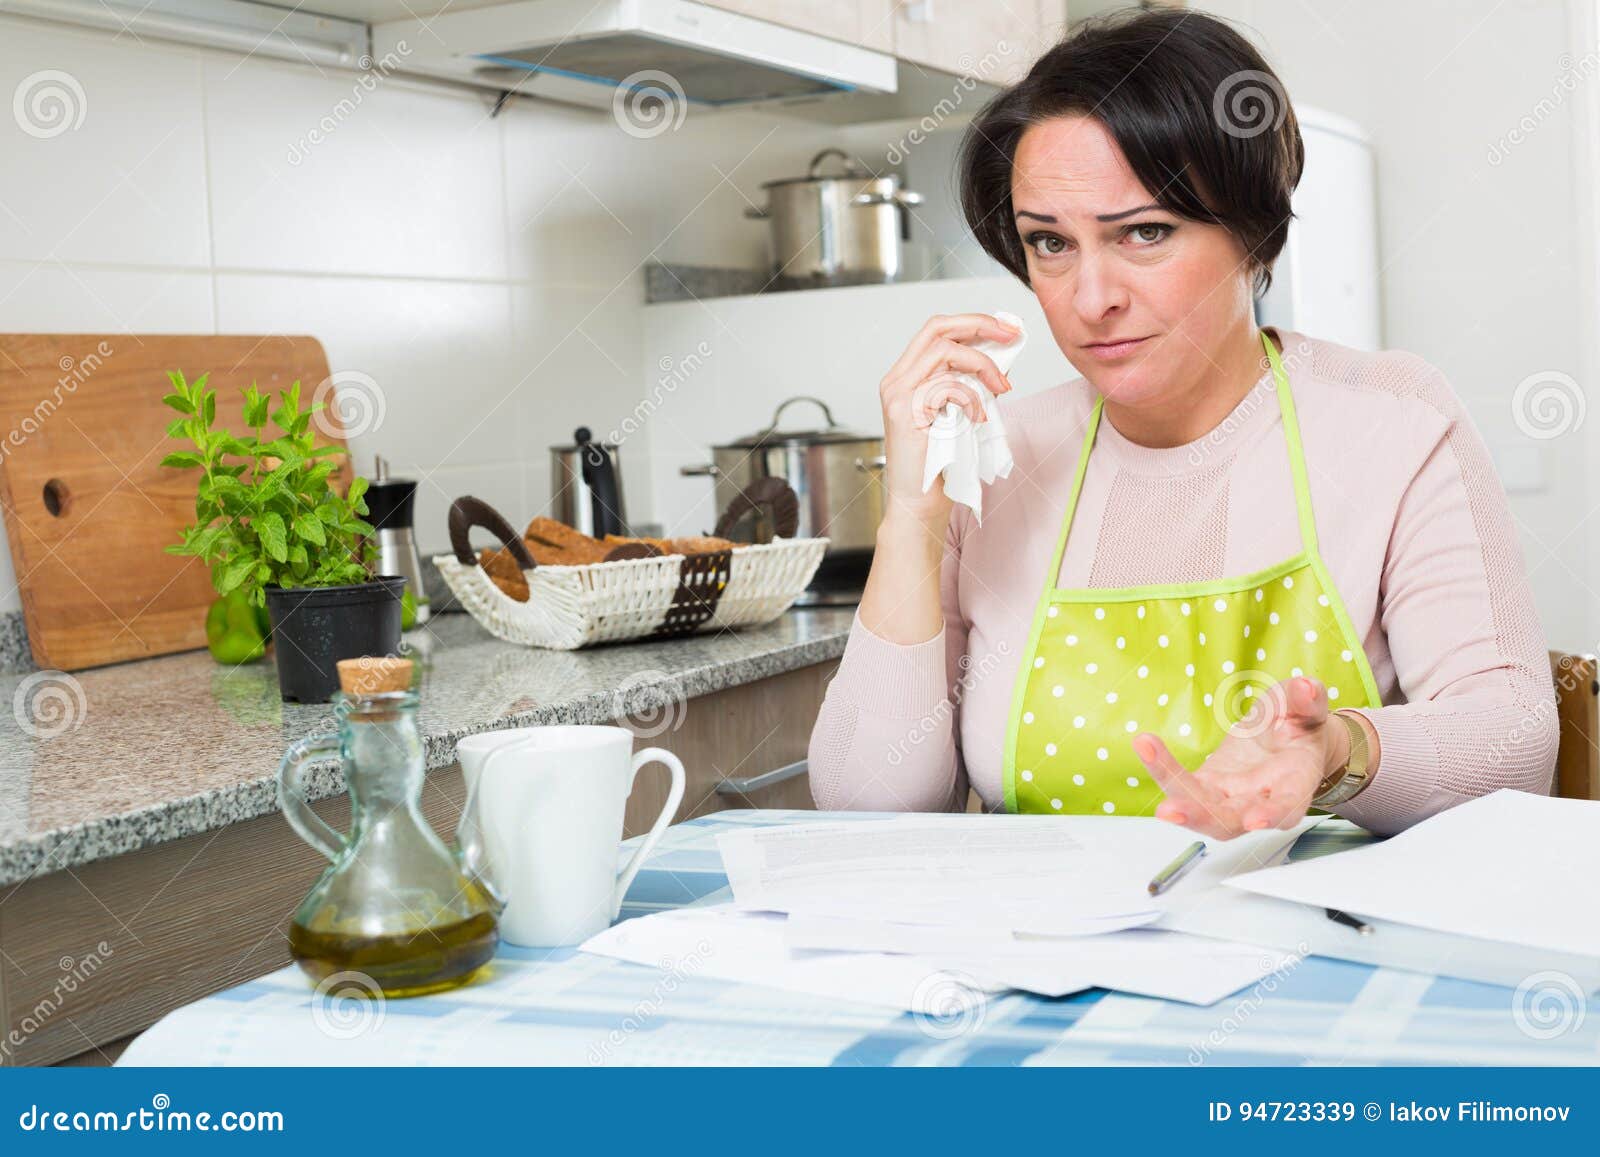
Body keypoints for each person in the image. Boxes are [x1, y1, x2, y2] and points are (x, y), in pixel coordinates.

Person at [807, 8, 1557, 839]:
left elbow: (1517, 745)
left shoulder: (1392, 422)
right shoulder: (998, 460)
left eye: (1146, 233)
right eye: (1050, 244)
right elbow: (865, 812)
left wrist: (1339, 749)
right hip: (1047, 954)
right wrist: (912, 519)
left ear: (1253, 235)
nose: (1092, 299)